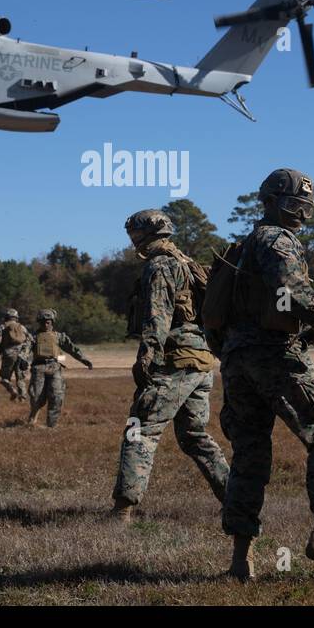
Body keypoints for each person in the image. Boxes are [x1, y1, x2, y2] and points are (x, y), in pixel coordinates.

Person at [218, 168, 314, 582]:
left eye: (305, 206)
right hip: (275, 354)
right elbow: (290, 287)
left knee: (249, 456)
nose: (301, 213)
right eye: (293, 204)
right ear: (269, 202)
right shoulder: (277, 240)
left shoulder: (248, 244)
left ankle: (240, 561)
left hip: (237, 360)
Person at [111, 210, 230, 521]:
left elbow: (158, 315)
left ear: (140, 234)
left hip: (175, 359)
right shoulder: (185, 262)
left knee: (140, 428)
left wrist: (146, 355)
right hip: (201, 359)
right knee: (194, 435)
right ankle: (236, 500)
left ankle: (122, 510)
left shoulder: (160, 265)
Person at [25, 309, 92, 428]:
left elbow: (72, 349)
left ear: (52, 322)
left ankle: (51, 426)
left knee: (56, 396)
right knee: (36, 397)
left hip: (55, 367)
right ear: (39, 322)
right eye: (43, 322)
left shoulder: (59, 336)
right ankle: (33, 418)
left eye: (48, 322)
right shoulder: (33, 337)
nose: (46, 324)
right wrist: (23, 361)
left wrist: (84, 360)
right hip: (38, 368)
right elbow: (25, 350)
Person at [0, 308, 32, 401]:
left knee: (4, 377)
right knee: (20, 378)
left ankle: (12, 391)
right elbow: (31, 340)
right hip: (22, 355)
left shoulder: (2, 327)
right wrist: (27, 354)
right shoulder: (22, 327)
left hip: (9, 354)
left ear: (6, 317)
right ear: (16, 317)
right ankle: (23, 398)